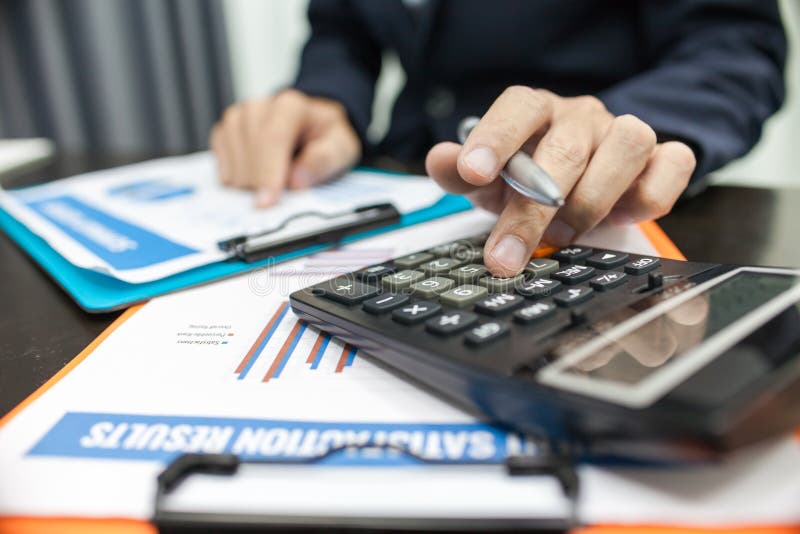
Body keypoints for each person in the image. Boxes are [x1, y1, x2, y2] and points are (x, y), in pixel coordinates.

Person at [210, 0, 786, 277]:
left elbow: (732, 44)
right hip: (408, 177)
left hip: (593, 204)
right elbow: (342, 25)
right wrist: (327, 96)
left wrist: (618, 130)